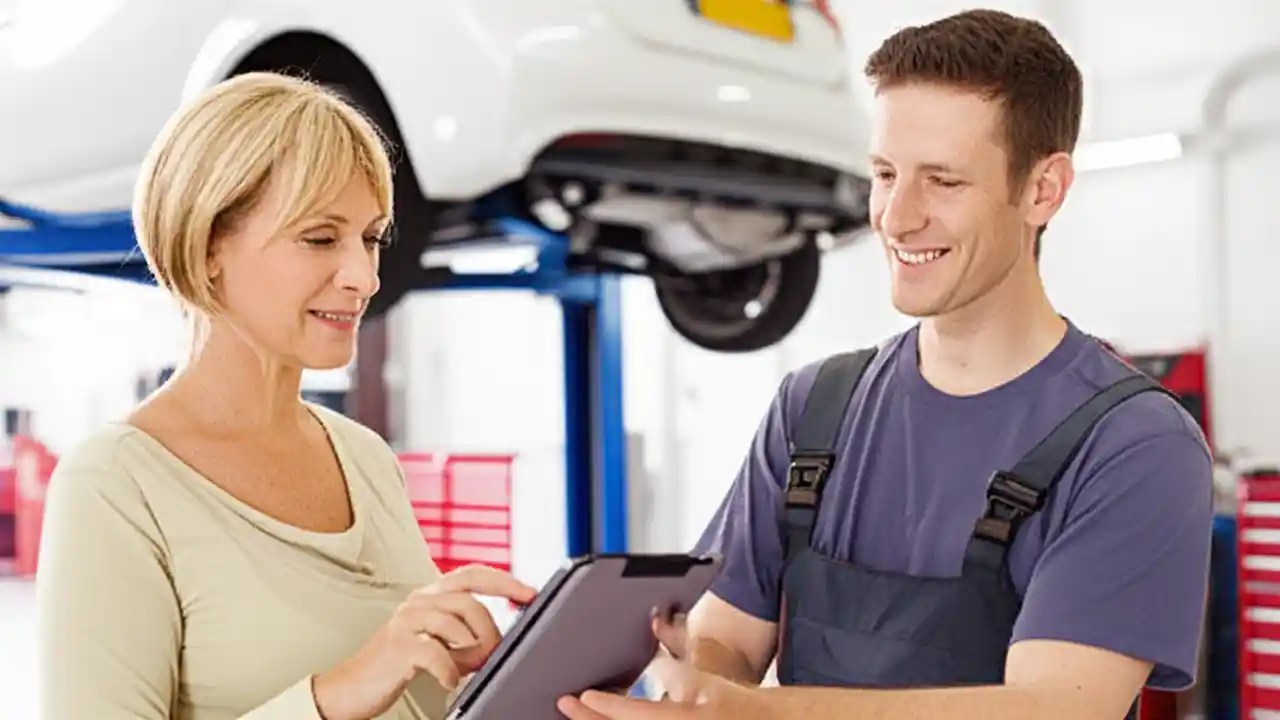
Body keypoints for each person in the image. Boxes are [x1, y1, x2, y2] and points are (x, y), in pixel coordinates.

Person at [559, 8, 1214, 720]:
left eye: (943, 181)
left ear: (1043, 189)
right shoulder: (813, 411)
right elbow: (723, 638)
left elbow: (1055, 707)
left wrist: (759, 714)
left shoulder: (1134, 445)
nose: (897, 217)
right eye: (883, 173)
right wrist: (694, 685)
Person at [35, 72, 536, 720]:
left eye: (371, 238)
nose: (362, 275)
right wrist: (347, 687)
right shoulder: (118, 483)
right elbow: (371, 677)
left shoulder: (365, 459)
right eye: (321, 238)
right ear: (209, 243)